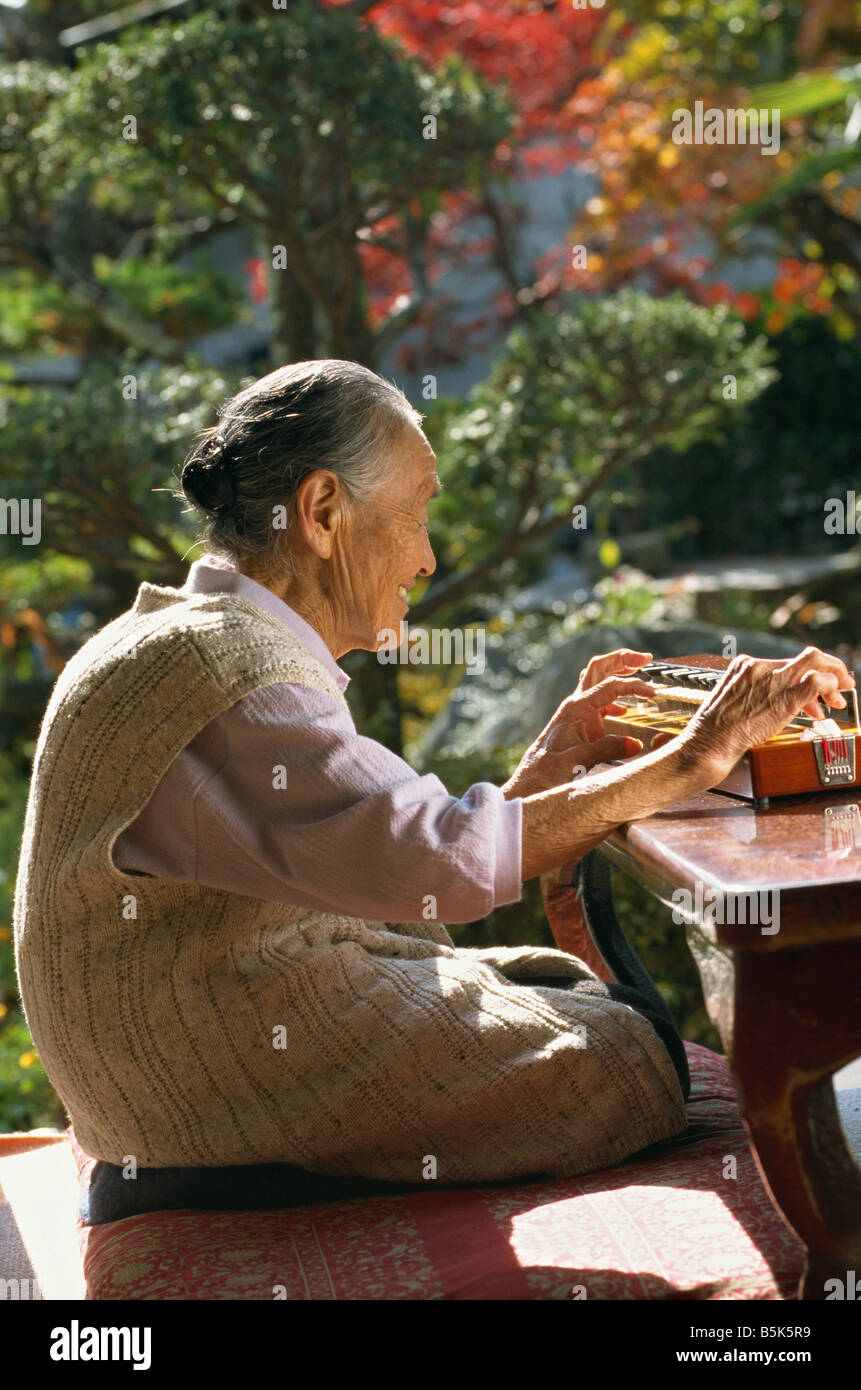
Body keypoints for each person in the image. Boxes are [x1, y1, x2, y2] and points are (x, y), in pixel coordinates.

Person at [13, 359, 854, 1223]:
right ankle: (237, 1170)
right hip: (195, 1077)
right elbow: (420, 859)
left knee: (558, 986)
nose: (427, 555)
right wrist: (696, 753)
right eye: (417, 513)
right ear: (322, 512)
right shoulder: (228, 668)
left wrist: (538, 776)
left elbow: (363, 844)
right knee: (628, 1064)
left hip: (175, 1052)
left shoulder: (195, 637)